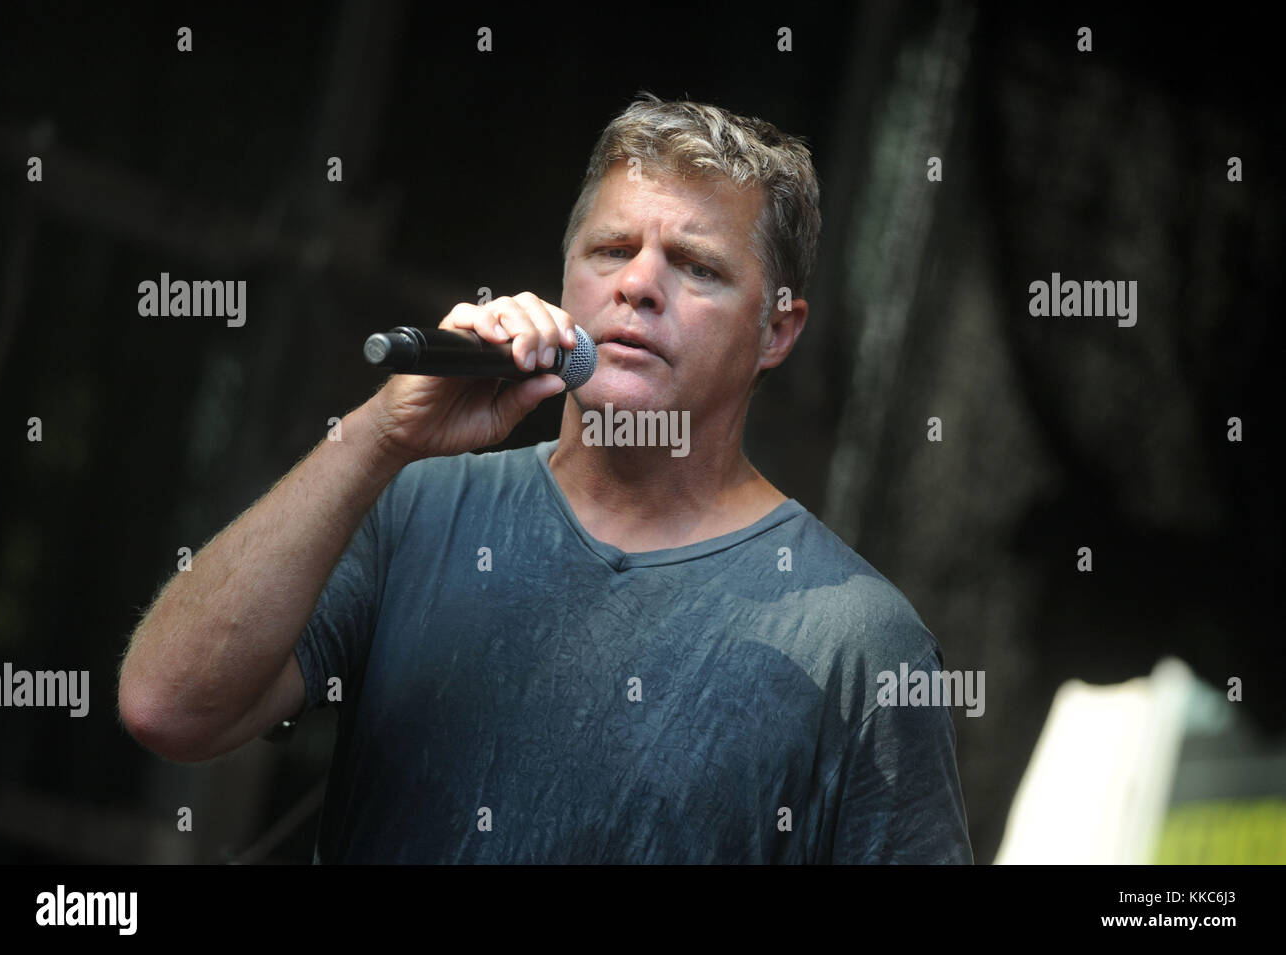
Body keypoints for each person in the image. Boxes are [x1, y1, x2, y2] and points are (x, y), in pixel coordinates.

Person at [119, 93, 973, 864]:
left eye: (697, 266)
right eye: (611, 250)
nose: (639, 284)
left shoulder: (859, 642)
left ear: (777, 332)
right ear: (564, 277)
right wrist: (380, 433)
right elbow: (168, 704)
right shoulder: (415, 509)